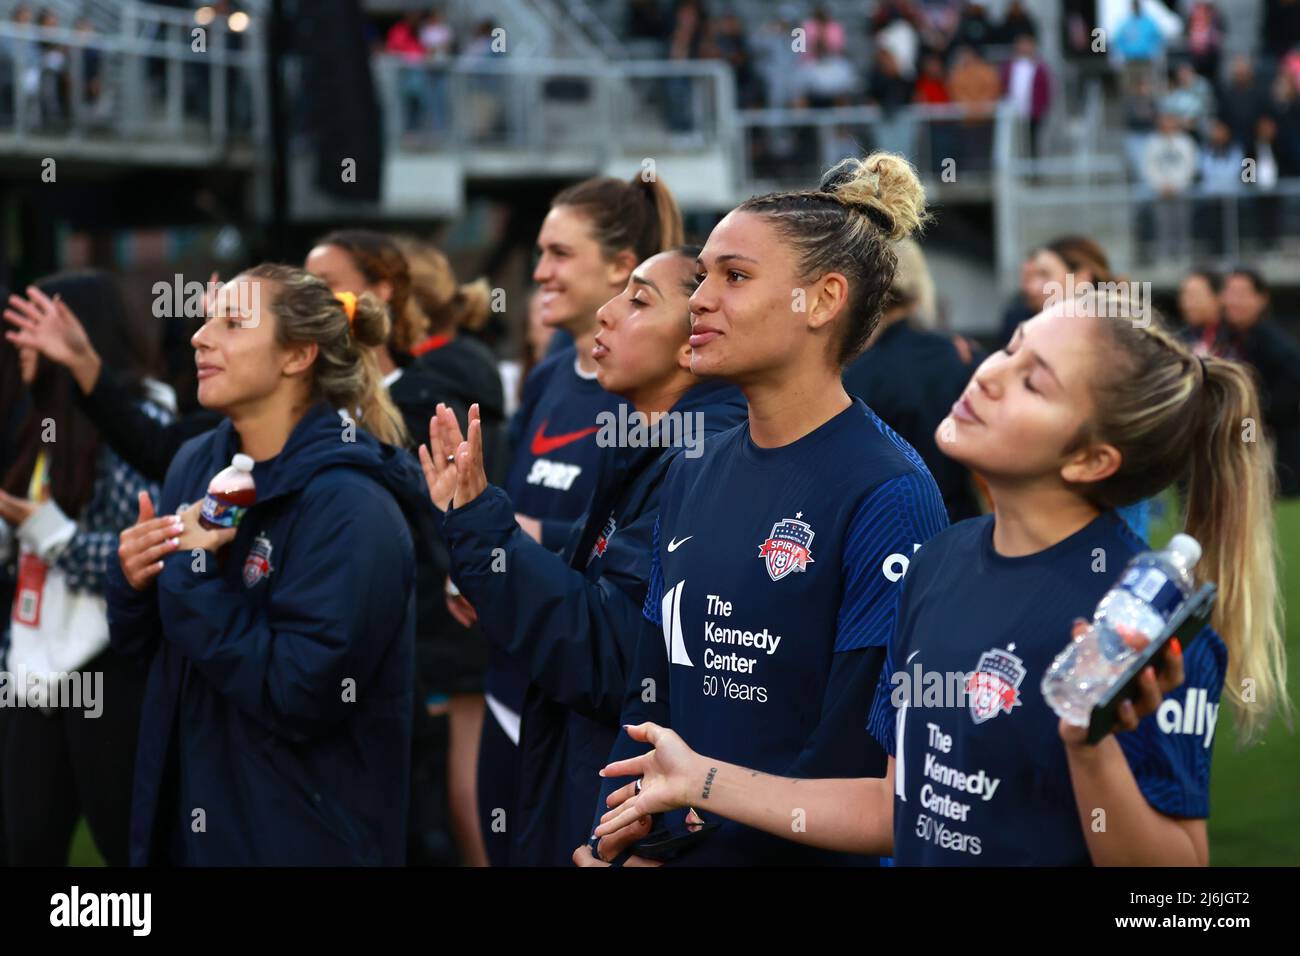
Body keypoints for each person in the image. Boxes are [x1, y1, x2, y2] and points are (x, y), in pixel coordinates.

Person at [595, 295, 1289, 866]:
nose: (990, 372)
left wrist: (1090, 747)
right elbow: (895, 809)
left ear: (1088, 458)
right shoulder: (938, 562)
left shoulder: (1137, 613)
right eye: (1010, 347)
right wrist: (700, 781)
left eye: (1033, 380)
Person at [579, 153, 949, 867]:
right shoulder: (693, 466)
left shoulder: (889, 492)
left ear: (824, 299)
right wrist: (620, 840)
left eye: (735, 277)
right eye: (703, 276)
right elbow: (649, 697)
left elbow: (851, 767)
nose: (700, 300)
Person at [422, 245, 746, 865]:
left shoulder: (700, 459)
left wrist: (485, 531)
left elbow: (606, 652)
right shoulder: (647, 444)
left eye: (637, 299)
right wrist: (484, 558)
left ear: (692, 341)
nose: (605, 313)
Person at [105, 266, 425, 864]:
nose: (199, 337)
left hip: (298, 839)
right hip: (189, 824)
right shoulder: (197, 462)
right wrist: (131, 578)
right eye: (205, 320)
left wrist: (193, 575)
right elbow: (147, 650)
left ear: (297, 356)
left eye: (231, 323)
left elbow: (300, 693)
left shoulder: (351, 506)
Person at [475, 171, 684, 865]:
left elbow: (622, 560)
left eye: (560, 253)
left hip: (590, 703)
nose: (540, 272)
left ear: (622, 266)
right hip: (516, 675)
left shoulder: (658, 405)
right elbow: (511, 501)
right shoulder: (550, 375)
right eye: (538, 252)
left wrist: (523, 547)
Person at [1, 271, 171, 865]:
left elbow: (140, 551)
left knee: (126, 842)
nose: (20, 344)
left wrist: (46, 533)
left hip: (107, 670)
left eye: (32, 329)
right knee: (26, 843)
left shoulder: (143, 419)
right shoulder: (36, 418)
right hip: (31, 668)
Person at [844, 239, 981, 523]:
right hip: (966, 527)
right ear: (918, 289)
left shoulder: (853, 377)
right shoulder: (964, 356)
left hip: (888, 529)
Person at [1217, 269, 1300, 496]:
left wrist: (1255, 413)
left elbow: (1292, 392)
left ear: (1261, 299)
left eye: (1242, 293)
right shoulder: (1227, 339)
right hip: (1245, 433)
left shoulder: (1273, 342)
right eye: (1230, 293)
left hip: (1272, 442)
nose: (1234, 301)